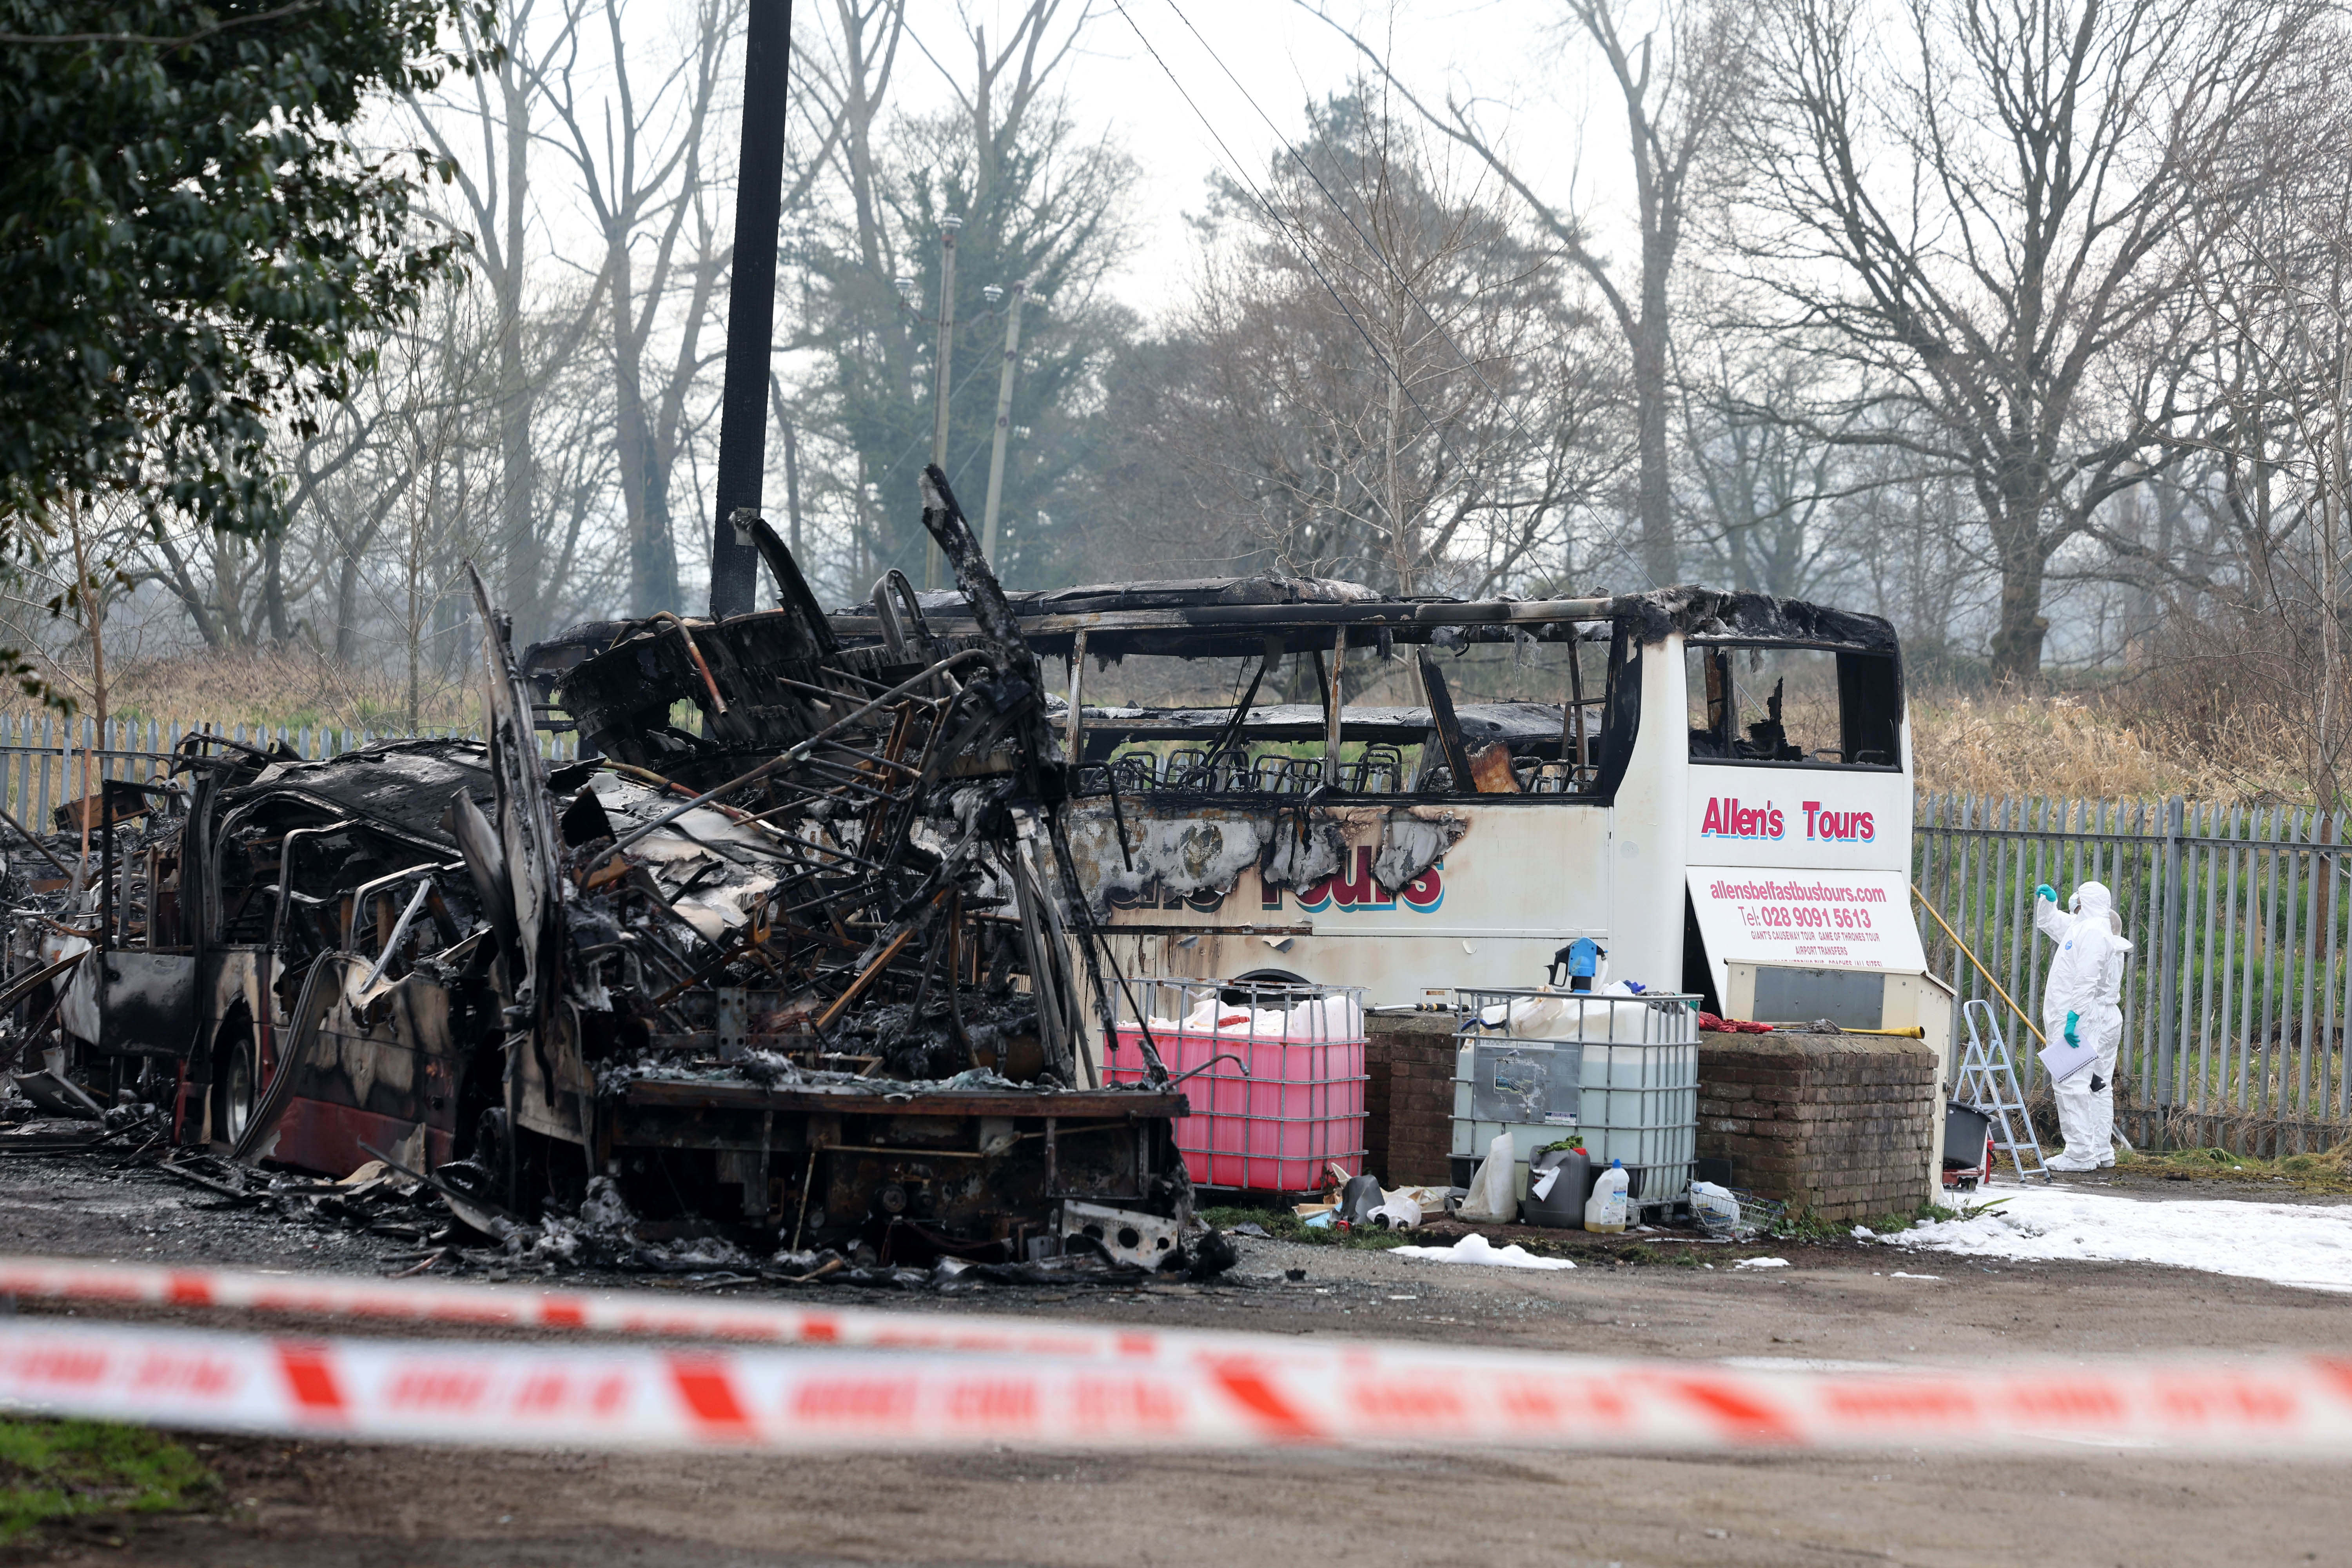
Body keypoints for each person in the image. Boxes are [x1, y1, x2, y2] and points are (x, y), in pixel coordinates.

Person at [2033, 880, 2134, 1172]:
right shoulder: (2094, 929)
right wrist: (2048, 904)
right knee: (2098, 1085)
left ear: (2085, 904)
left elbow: (2087, 978)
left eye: (2076, 906)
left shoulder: (2091, 933)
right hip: (2104, 1018)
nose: (2073, 912)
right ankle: (2101, 1149)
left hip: (2084, 1018)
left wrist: (2074, 1016)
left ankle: (2079, 1153)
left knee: (2071, 1081)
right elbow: (2053, 923)